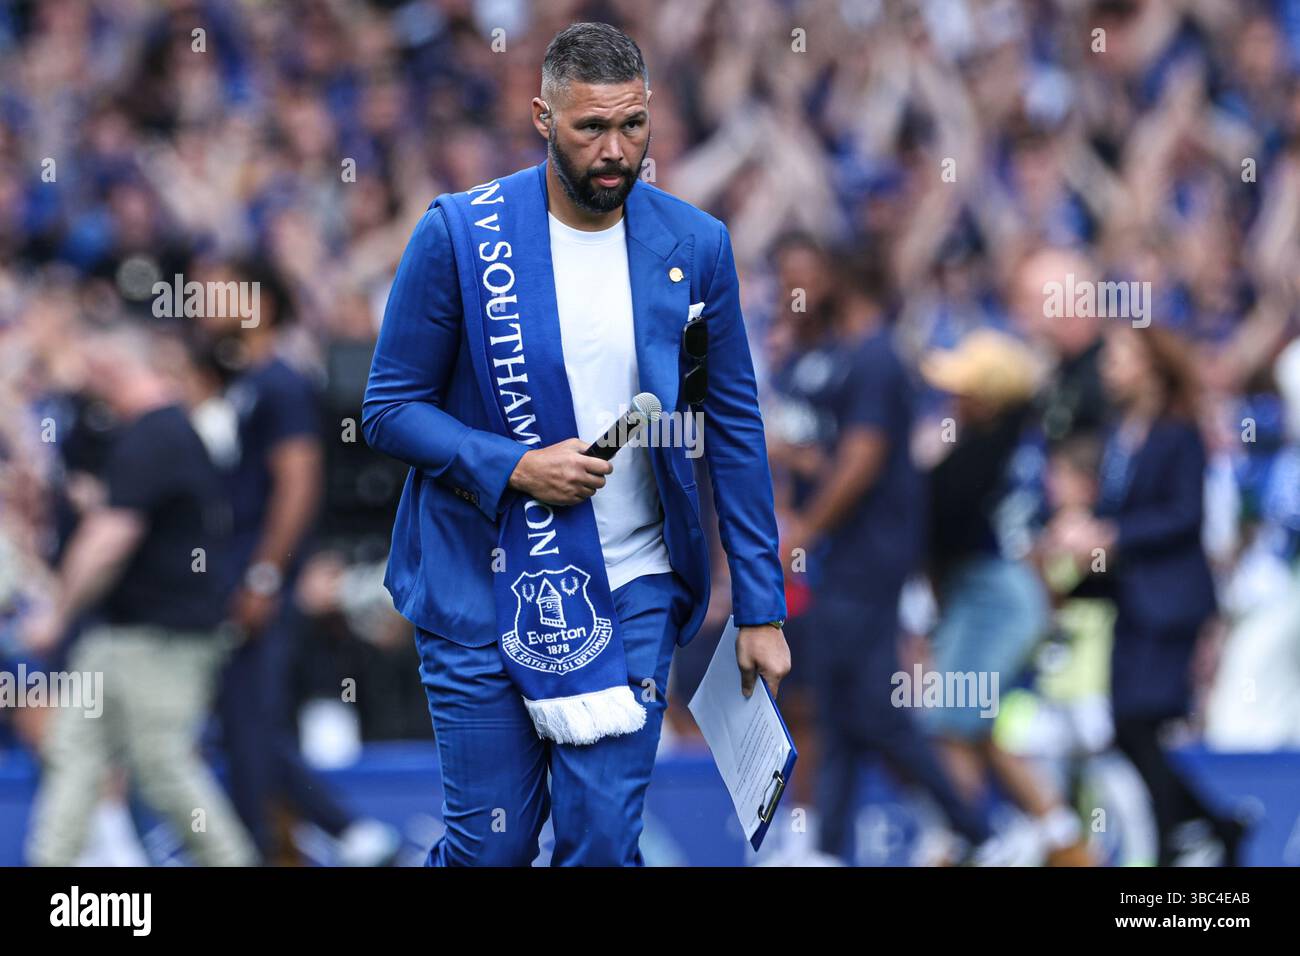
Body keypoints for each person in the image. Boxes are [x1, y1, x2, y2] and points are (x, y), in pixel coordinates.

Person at [363, 22, 790, 867]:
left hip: (631, 584)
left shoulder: (695, 248)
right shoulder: (459, 235)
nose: (614, 150)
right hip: (476, 578)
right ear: (541, 117)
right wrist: (515, 466)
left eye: (632, 125)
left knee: (600, 843)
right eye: (590, 127)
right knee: (492, 850)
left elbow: (731, 430)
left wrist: (761, 605)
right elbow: (389, 407)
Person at [769, 256, 997, 864]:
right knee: (846, 700)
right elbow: (837, 457)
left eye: (807, 276)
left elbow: (861, 460)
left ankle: (978, 830)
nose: (795, 291)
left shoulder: (874, 357)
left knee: (870, 706)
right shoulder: (845, 355)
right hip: (852, 557)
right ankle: (832, 846)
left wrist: (806, 531)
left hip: (868, 556)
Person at [22, 322, 256, 867]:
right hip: (120, 636)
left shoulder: (158, 433)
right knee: (73, 753)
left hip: (161, 641)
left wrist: (56, 611)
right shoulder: (153, 433)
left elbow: (110, 537)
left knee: (163, 767)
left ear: (117, 367)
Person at [196, 261, 398, 866]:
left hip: (262, 576)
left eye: (217, 288)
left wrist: (266, 574)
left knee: (250, 716)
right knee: (242, 720)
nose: (201, 298)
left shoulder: (279, 383)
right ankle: (341, 834)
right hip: (242, 573)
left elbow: (298, 481)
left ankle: (314, 837)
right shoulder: (241, 380)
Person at [1046, 325, 1248, 865]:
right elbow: (1121, 515)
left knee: (1139, 722)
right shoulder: (1120, 433)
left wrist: (1112, 535)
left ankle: (1181, 843)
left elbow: (1184, 516)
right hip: (1132, 602)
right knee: (1130, 726)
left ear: (1151, 367)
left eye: (1120, 357)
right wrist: (1083, 535)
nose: (1109, 368)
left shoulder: (1177, 432)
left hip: (1169, 603)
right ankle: (1213, 826)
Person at [921, 329, 1093, 865]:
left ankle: (976, 839)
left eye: (965, 389)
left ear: (989, 396)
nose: (953, 398)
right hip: (992, 592)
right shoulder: (1015, 438)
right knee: (969, 723)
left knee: (954, 719)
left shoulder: (986, 449)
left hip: (993, 595)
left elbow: (938, 515)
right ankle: (1048, 836)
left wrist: (927, 460)